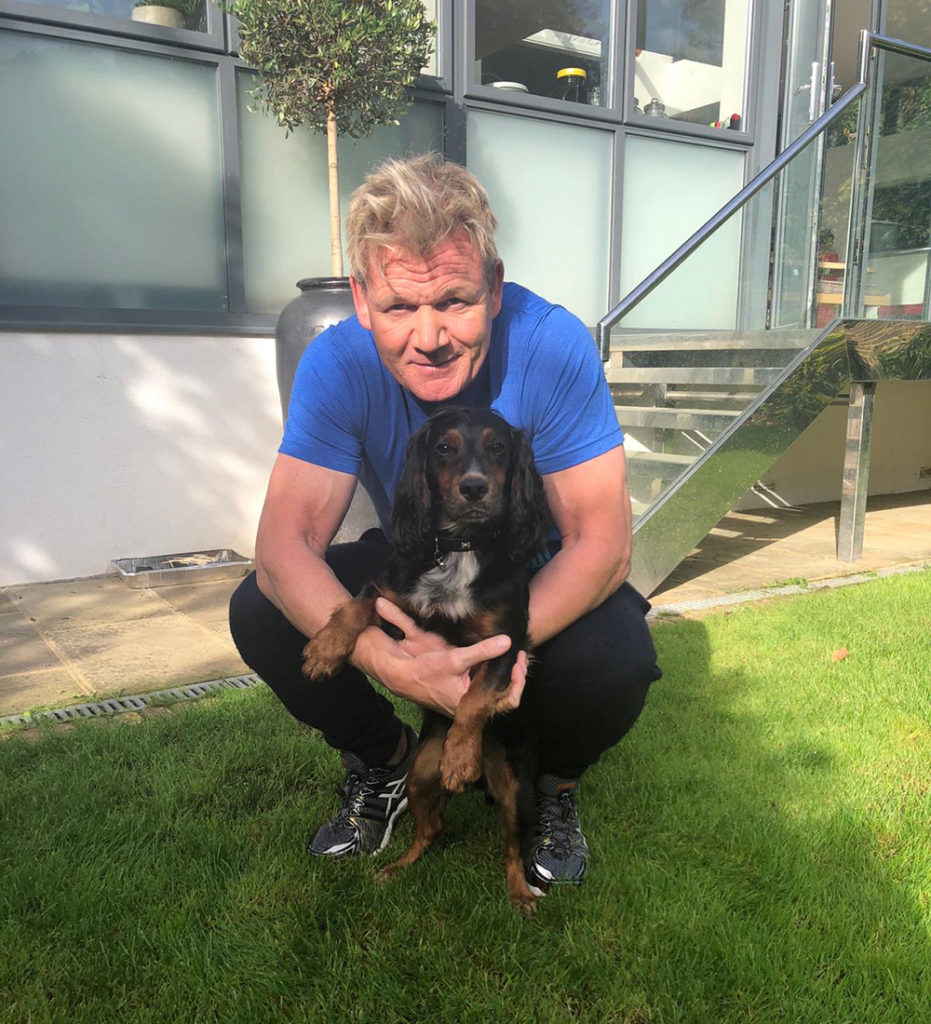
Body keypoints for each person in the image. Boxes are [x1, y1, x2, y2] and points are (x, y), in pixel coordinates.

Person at [229, 153, 661, 891]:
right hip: (421, 558)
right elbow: (284, 546)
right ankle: (385, 763)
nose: (428, 337)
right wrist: (391, 661)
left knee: (614, 653)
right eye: (399, 307)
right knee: (262, 608)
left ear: (493, 287)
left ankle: (553, 787)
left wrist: (485, 657)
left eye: (455, 301)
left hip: (523, 568)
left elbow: (602, 545)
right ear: (361, 299)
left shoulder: (551, 346)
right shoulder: (335, 363)